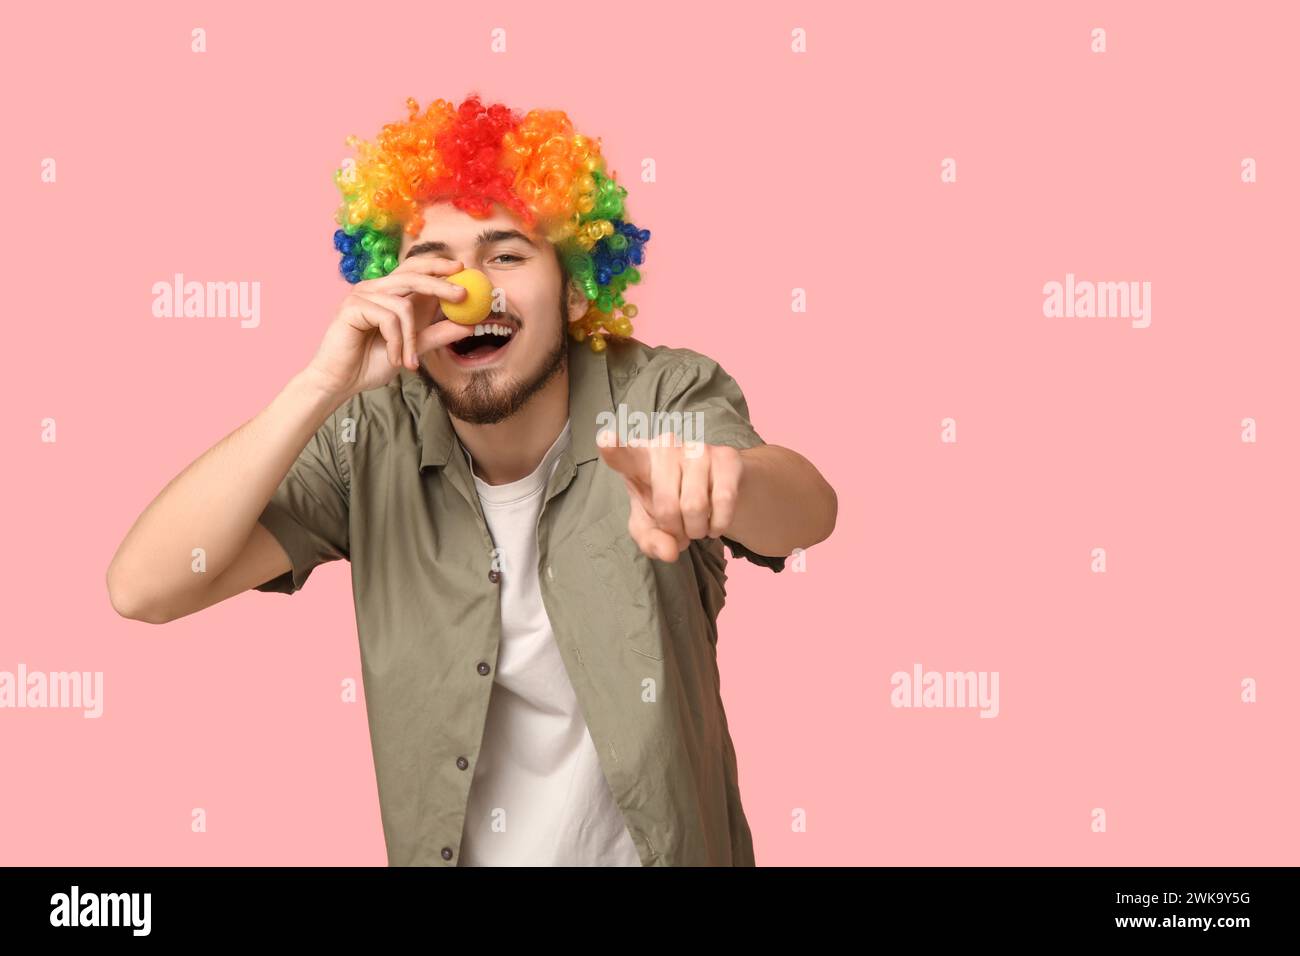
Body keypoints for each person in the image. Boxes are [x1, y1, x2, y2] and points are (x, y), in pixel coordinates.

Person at [106, 93, 838, 866]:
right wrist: (319, 386)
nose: (468, 289)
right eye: (434, 265)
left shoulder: (660, 397)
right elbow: (144, 588)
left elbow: (808, 512)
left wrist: (724, 481)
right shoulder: (368, 435)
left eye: (507, 256)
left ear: (579, 286)